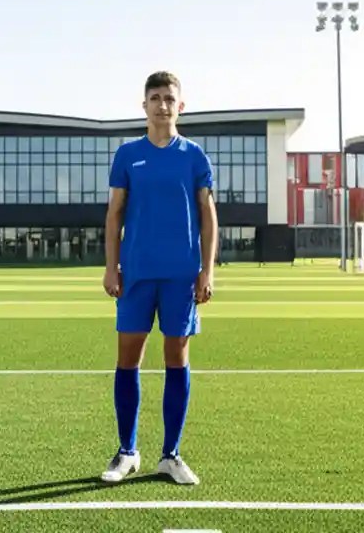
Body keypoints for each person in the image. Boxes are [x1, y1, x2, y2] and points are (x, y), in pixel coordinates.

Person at [100, 70, 217, 486]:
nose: (162, 104)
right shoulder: (128, 155)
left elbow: (208, 216)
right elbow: (114, 215)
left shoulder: (194, 156)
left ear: (180, 106)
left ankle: (171, 455)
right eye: (155, 98)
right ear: (144, 105)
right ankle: (127, 451)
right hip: (136, 274)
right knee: (127, 358)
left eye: (169, 98)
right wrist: (111, 265)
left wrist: (207, 268)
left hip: (181, 276)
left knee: (176, 358)